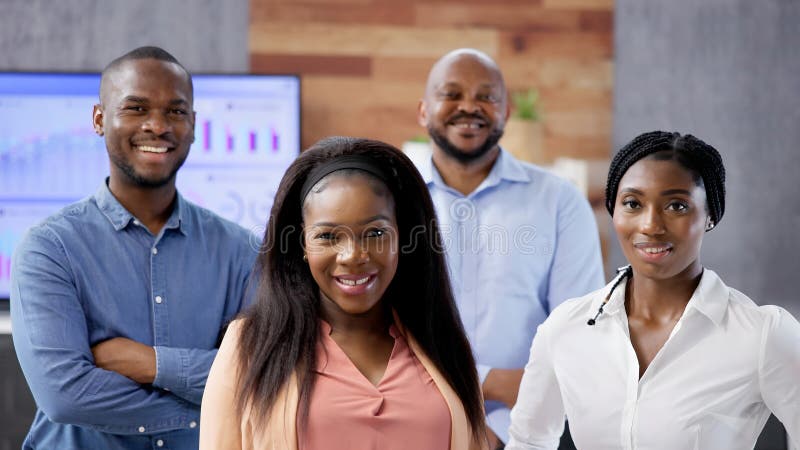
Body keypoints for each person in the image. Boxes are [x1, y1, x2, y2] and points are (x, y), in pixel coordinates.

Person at [10, 46, 257, 449]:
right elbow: (66, 396)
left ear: (193, 125)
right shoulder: (49, 248)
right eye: (137, 108)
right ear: (98, 119)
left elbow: (265, 373)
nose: (157, 126)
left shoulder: (243, 252)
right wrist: (208, 412)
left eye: (175, 112)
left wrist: (151, 364)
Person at [507, 131, 800, 449]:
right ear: (613, 210)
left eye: (676, 206)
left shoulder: (762, 335)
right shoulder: (566, 327)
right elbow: (529, 441)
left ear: (710, 215)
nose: (650, 225)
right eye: (632, 203)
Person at [200, 136, 488, 450]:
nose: (352, 255)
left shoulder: (443, 341)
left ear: (402, 238)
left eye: (376, 233)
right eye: (327, 235)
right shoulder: (251, 345)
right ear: (303, 244)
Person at [416, 48, 605, 446]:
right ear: (423, 110)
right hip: (409, 424)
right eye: (452, 94)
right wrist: (490, 381)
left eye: (487, 96)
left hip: (525, 434)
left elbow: (581, 338)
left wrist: (493, 432)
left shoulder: (559, 202)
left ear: (505, 112)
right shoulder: (393, 199)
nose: (470, 106)